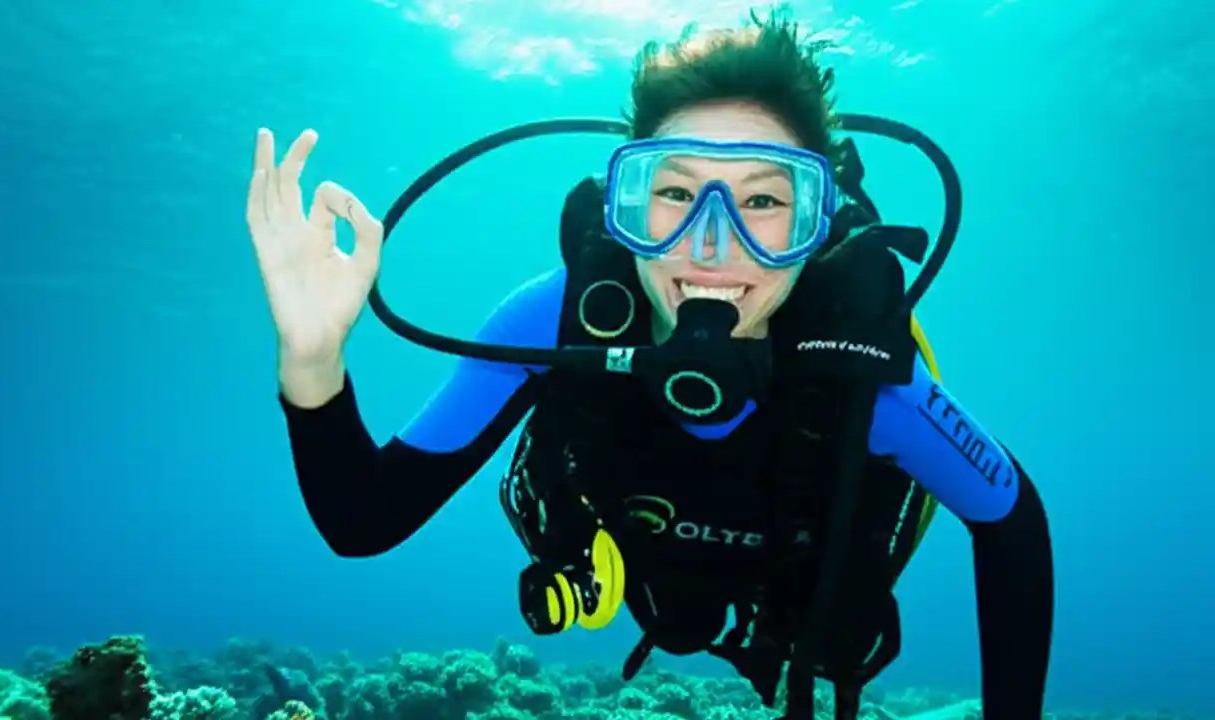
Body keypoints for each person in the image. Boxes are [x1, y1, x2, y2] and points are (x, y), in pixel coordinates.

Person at [244, 11, 1053, 720]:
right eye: (673, 194)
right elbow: (364, 521)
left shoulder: (863, 374)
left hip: (797, 600)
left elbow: (1012, 522)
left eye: (766, 202)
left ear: (819, 222)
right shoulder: (553, 321)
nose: (711, 245)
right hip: (632, 564)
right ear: (623, 204)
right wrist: (312, 362)